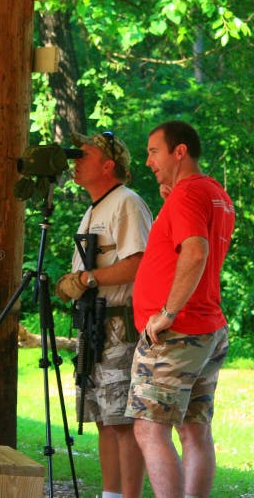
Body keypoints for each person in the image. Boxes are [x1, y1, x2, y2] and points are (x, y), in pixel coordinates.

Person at [125, 121, 235, 498]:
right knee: (193, 431)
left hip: (178, 332)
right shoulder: (214, 193)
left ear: (180, 151)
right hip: (207, 327)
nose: (148, 161)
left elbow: (196, 251)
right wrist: (171, 198)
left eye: (154, 151)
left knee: (149, 428)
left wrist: (167, 312)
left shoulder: (188, 194)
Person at [55, 131, 151, 498]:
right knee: (103, 420)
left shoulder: (127, 202)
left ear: (108, 164)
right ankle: (110, 494)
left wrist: (87, 279)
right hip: (94, 325)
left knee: (123, 422)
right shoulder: (94, 208)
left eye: (85, 154)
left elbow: (140, 264)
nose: (75, 160)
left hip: (119, 325)